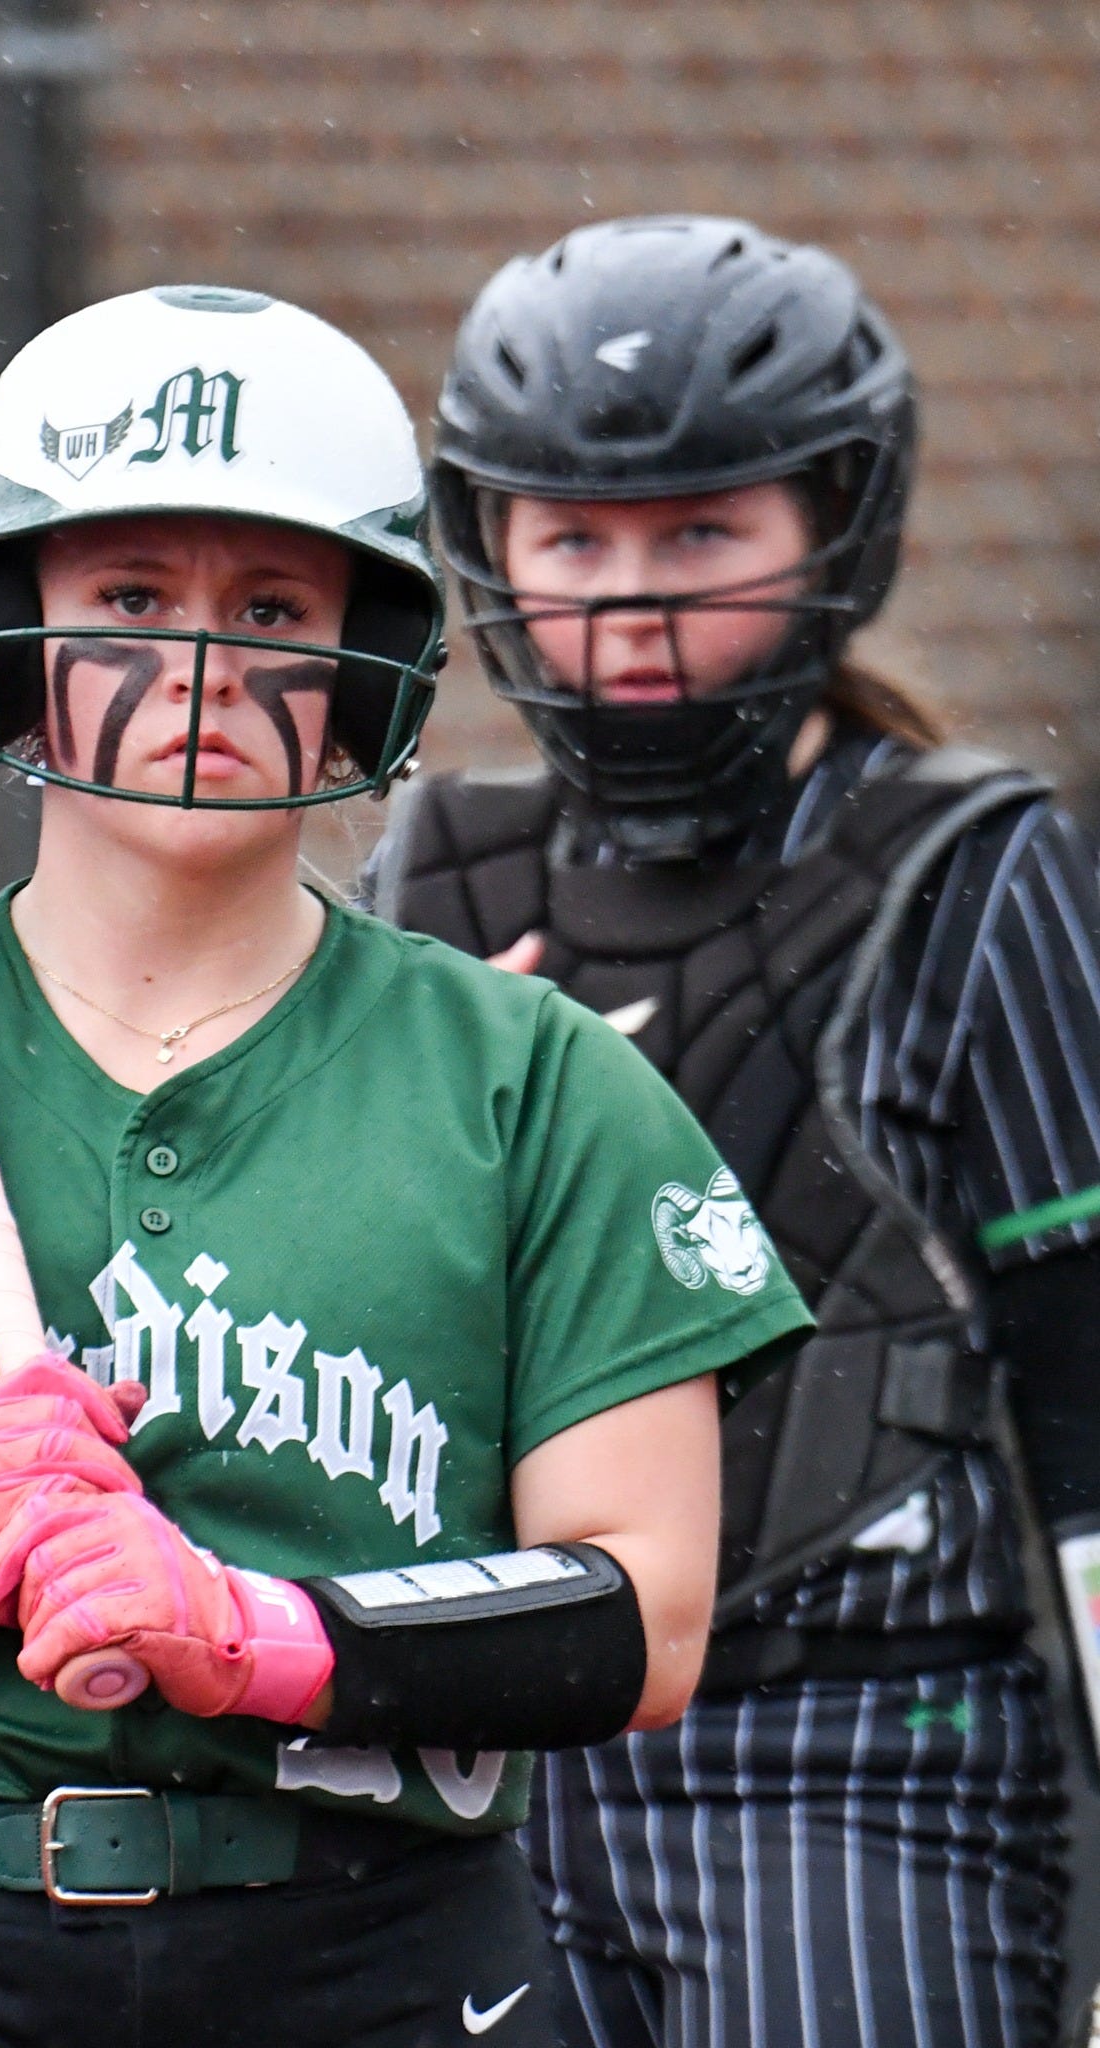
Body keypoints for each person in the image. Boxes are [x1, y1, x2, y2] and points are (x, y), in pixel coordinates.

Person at [0, 280, 809, 2048]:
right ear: (13, 635)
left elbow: (641, 1622)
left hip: (386, 1945)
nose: (201, 667)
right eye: (128, 597)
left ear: (369, 661)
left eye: (272, 606)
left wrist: (253, 1631)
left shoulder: (535, 1084)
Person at [371, 214, 1100, 2048]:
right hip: (498, 1770)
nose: (630, 606)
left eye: (703, 536)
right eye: (577, 541)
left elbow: (1091, 1404)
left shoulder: (969, 870)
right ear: (492, 548)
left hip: (863, 1764)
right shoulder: (434, 880)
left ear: (831, 531)